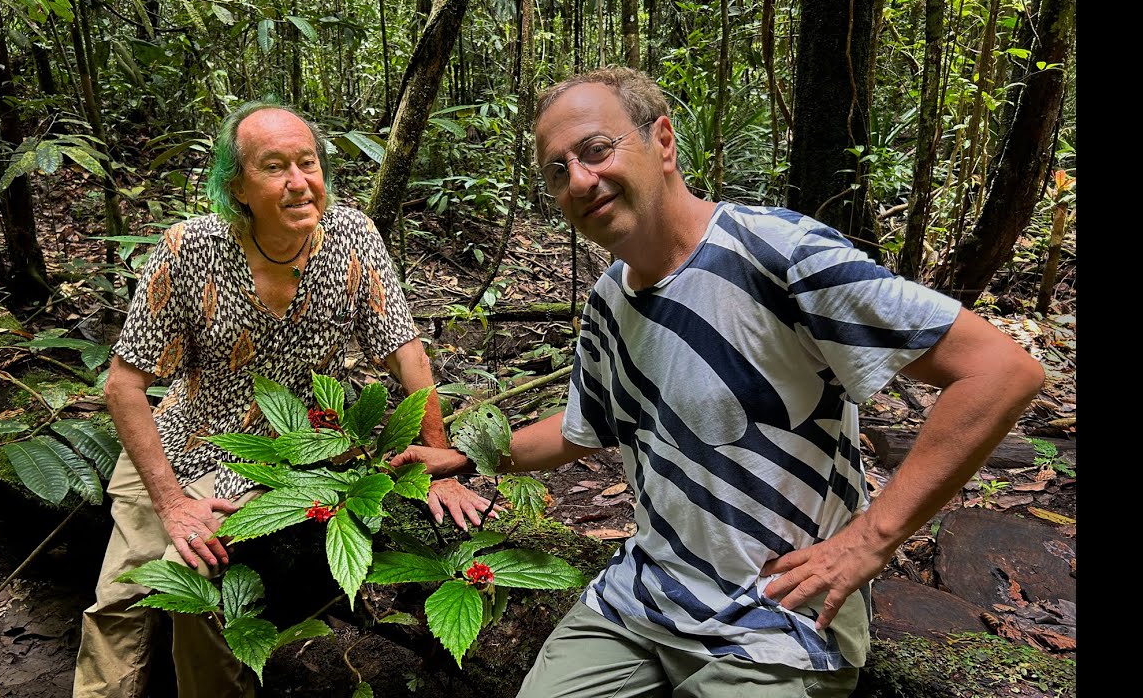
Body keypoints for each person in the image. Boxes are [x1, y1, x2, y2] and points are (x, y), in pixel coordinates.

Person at [391, 67, 1045, 697]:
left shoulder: (779, 255)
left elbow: (999, 370)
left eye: (595, 150)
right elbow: (578, 431)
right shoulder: (610, 300)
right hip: (644, 600)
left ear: (663, 141)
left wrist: (870, 541)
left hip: (778, 624)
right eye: (557, 171)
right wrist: (463, 457)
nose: (580, 180)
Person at [73, 100, 495, 698]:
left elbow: (406, 353)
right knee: (118, 598)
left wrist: (441, 464)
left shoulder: (352, 239)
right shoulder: (189, 248)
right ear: (238, 186)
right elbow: (123, 386)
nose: (300, 182)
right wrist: (169, 502)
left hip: (279, 451)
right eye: (275, 167)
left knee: (194, 582)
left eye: (308, 162)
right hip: (178, 438)